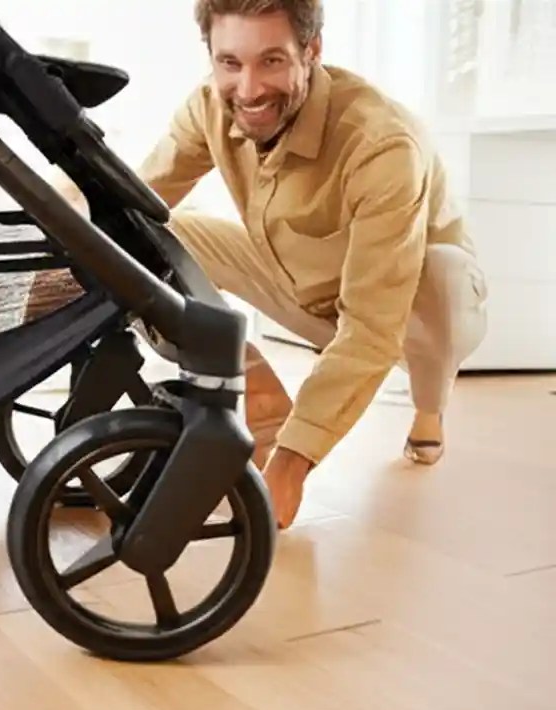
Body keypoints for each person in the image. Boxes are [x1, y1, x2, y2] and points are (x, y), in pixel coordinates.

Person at [130, 0, 489, 528]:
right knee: (146, 234)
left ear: (312, 50)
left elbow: (373, 326)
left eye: (271, 61)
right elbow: (135, 196)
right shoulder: (210, 106)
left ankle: (429, 407)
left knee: (439, 272)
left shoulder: (382, 144)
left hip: (417, 307)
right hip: (305, 285)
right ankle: (250, 380)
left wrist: (291, 464)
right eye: (230, 62)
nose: (249, 89)